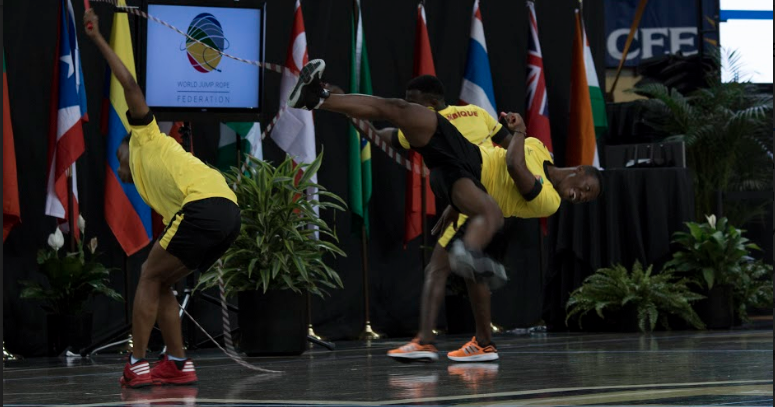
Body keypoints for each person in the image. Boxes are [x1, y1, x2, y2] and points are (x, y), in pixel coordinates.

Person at [291, 61, 601, 362]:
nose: (582, 196)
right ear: (578, 169)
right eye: (587, 188)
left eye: (587, 199)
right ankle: (320, 98)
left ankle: (469, 332)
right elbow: (501, 145)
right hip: (464, 169)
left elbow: (513, 163)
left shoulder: (551, 200)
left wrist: (519, 132)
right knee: (398, 110)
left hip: (469, 188)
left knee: (477, 234)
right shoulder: (538, 146)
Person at [84, 10, 241, 388]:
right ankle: (178, 363)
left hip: (204, 207)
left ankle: (136, 364)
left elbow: (130, 85)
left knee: (147, 275)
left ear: (125, 148)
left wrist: (97, 39)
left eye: (117, 161)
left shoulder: (144, 137)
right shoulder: (149, 181)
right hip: (227, 212)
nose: (119, 171)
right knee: (161, 283)